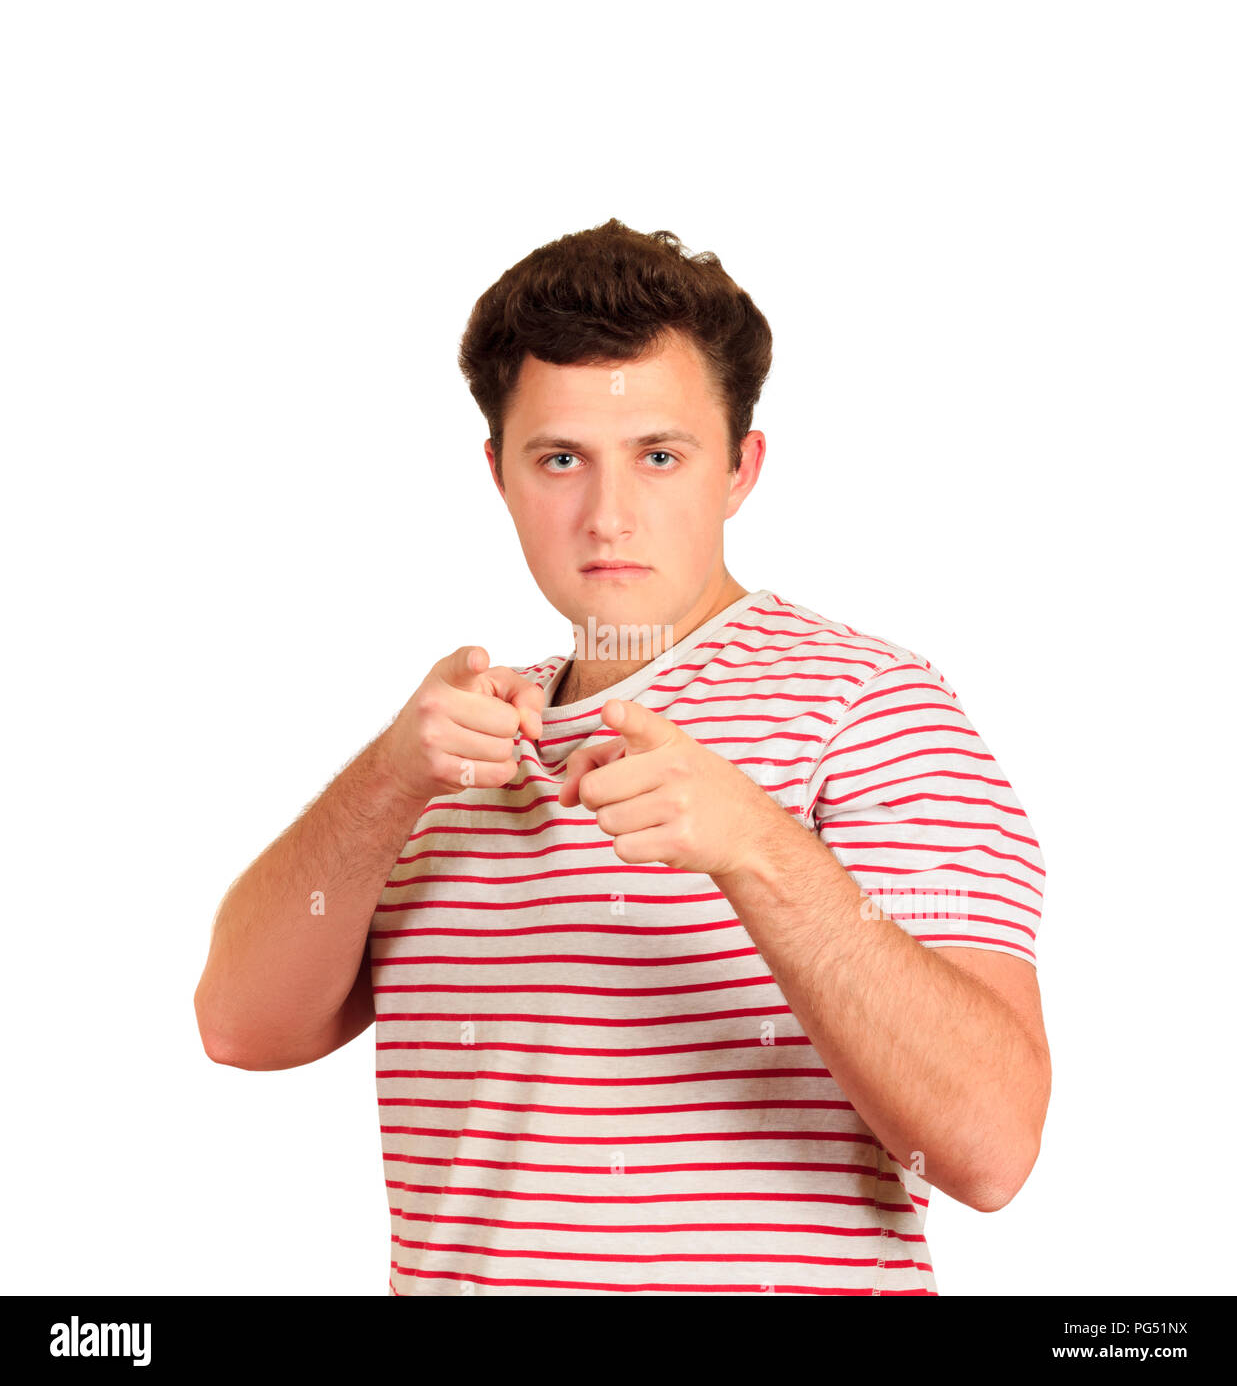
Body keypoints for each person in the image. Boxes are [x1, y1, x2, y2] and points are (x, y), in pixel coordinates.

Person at [195, 218, 1051, 1297]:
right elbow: (238, 1025)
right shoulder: (453, 746)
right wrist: (388, 777)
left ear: (740, 468)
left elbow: (991, 1147)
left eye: (658, 454)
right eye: (560, 459)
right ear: (499, 472)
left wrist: (757, 848)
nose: (608, 515)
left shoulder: (871, 708)